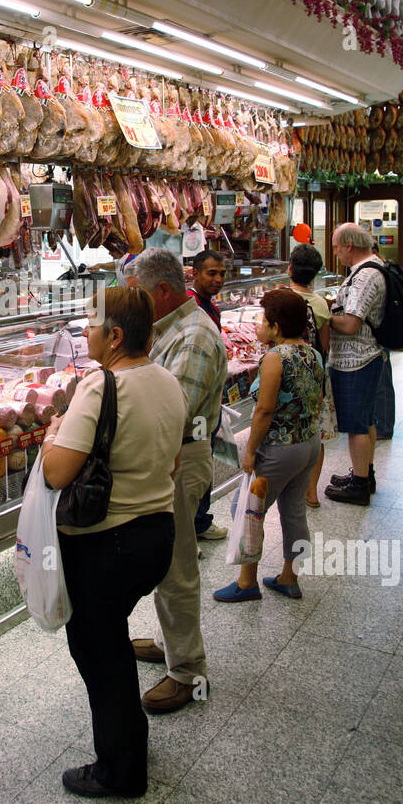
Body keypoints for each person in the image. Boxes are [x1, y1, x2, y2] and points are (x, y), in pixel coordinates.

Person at [41, 286, 186, 797]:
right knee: (111, 641)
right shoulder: (168, 380)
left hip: (108, 544)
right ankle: (129, 741)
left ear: (116, 335)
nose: (85, 332)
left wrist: (53, 435)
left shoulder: (101, 386)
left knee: (99, 652)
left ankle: (120, 771)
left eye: (91, 325)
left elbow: (58, 473)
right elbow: (170, 462)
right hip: (156, 535)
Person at [126, 247, 227, 712]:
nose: (135, 303)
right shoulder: (169, 330)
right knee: (165, 559)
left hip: (181, 457)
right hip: (166, 456)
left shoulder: (195, 336)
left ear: (163, 291)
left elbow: (175, 413)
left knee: (176, 563)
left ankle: (188, 672)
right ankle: (172, 645)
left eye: (140, 294)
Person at [213, 289, 323, 602]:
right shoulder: (312, 353)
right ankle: (289, 577)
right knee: (294, 509)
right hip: (308, 444)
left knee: (246, 508)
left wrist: (249, 453)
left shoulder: (275, 359)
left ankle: (247, 582)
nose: (259, 326)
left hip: (280, 448)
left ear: (275, 327)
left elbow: (263, 410)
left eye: (263, 320)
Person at [323, 224, 387, 507]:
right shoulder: (369, 269)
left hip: (357, 360)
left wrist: (324, 314)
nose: (335, 252)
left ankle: (359, 486)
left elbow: (350, 324)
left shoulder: (365, 276)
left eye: (336, 246)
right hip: (365, 357)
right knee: (365, 420)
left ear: (349, 245)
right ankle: (365, 474)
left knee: (356, 426)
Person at [188, 249, 229, 541]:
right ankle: (196, 523)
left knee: (204, 458)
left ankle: (199, 519)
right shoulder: (193, 305)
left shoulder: (207, 304)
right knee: (200, 459)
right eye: (211, 273)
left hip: (208, 399)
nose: (218, 279)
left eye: (222, 273)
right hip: (198, 403)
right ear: (195, 273)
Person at [286, 243, 331, 506]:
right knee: (315, 432)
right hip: (314, 376)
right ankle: (311, 490)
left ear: (290, 269)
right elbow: (325, 346)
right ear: (315, 275)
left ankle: (285, 486)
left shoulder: (279, 298)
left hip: (283, 374)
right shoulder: (322, 304)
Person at [370, 244, 396, 441]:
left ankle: (384, 426)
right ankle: (382, 423)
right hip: (383, 332)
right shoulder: (384, 270)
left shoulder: (378, 271)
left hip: (379, 335)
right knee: (382, 381)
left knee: (382, 382)